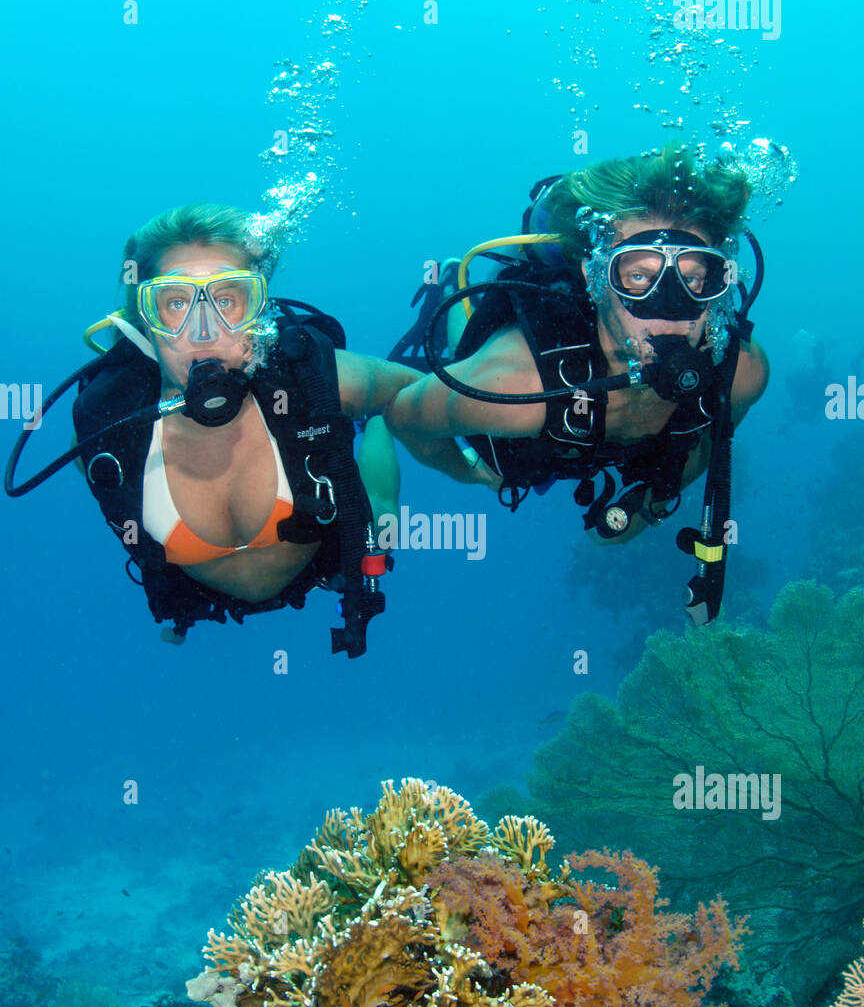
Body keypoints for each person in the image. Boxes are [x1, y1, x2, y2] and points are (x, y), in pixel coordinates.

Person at [15, 203, 476, 654]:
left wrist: (470, 468)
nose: (204, 332)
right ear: (144, 319)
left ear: (259, 312)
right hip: (200, 601)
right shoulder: (106, 431)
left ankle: (379, 405)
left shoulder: (319, 379)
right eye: (175, 302)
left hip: (328, 557)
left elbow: (418, 395)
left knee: (383, 511)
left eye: (228, 299)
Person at [385, 145, 769, 624]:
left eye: (694, 280)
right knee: (462, 341)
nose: (671, 309)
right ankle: (450, 282)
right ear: (594, 277)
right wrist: (471, 471)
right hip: (524, 400)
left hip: (594, 444)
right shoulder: (510, 388)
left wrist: (651, 500)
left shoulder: (741, 374)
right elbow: (403, 415)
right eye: (638, 276)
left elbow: (710, 440)